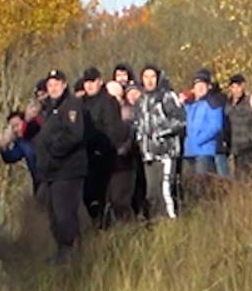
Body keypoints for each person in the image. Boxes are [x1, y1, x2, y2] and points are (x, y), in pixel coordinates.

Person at [32, 71, 88, 264]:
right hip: (52, 172)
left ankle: (72, 253)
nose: (53, 88)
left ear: (64, 85)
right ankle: (62, 252)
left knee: (65, 213)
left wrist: (54, 150)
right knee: (54, 215)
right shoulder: (50, 108)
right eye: (50, 85)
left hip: (68, 169)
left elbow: (74, 135)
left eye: (56, 84)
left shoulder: (71, 105)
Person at [134, 65, 186, 220]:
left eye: (152, 77)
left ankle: (171, 222)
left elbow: (181, 121)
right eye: (146, 77)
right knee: (151, 193)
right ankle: (157, 224)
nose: (149, 81)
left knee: (165, 190)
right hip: (148, 155)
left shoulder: (167, 97)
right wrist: (140, 141)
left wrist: (161, 132)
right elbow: (139, 125)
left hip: (166, 152)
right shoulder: (141, 100)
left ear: (158, 78)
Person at [77, 67, 118, 224]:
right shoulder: (81, 103)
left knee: (101, 195)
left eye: (92, 81)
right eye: (87, 82)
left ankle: (106, 225)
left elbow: (111, 128)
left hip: (103, 154)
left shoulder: (108, 101)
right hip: (84, 155)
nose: (89, 85)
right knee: (88, 197)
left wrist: (102, 148)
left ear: (100, 82)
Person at [182, 69, 228, 193]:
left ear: (208, 87)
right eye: (197, 85)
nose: (200, 88)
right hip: (188, 151)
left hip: (204, 150)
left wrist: (198, 140)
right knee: (187, 184)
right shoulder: (190, 105)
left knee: (202, 186)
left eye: (203, 85)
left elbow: (216, 126)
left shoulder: (213, 102)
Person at [101, 84, 140, 226]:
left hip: (124, 165)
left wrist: (124, 149)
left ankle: (130, 231)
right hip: (106, 165)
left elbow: (132, 138)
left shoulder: (128, 115)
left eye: (116, 97)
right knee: (106, 202)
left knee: (120, 202)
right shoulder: (102, 113)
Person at [223, 72, 252, 179]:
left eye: (239, 86)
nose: (236, 90)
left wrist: (250, 138)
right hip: (233, 147)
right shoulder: (227, 104)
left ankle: (246, 195)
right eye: (233, 87)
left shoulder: (250, 102)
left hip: (247, 147)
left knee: (245, 178)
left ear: (243, 87)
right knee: (233, 178)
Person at [0, 111, 40, 195]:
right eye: (13, 127)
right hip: (39, 182)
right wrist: (3, 145)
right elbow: (10, 157)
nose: (16, 130)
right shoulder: (21, 143)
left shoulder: (36, 130)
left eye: (17, 125)